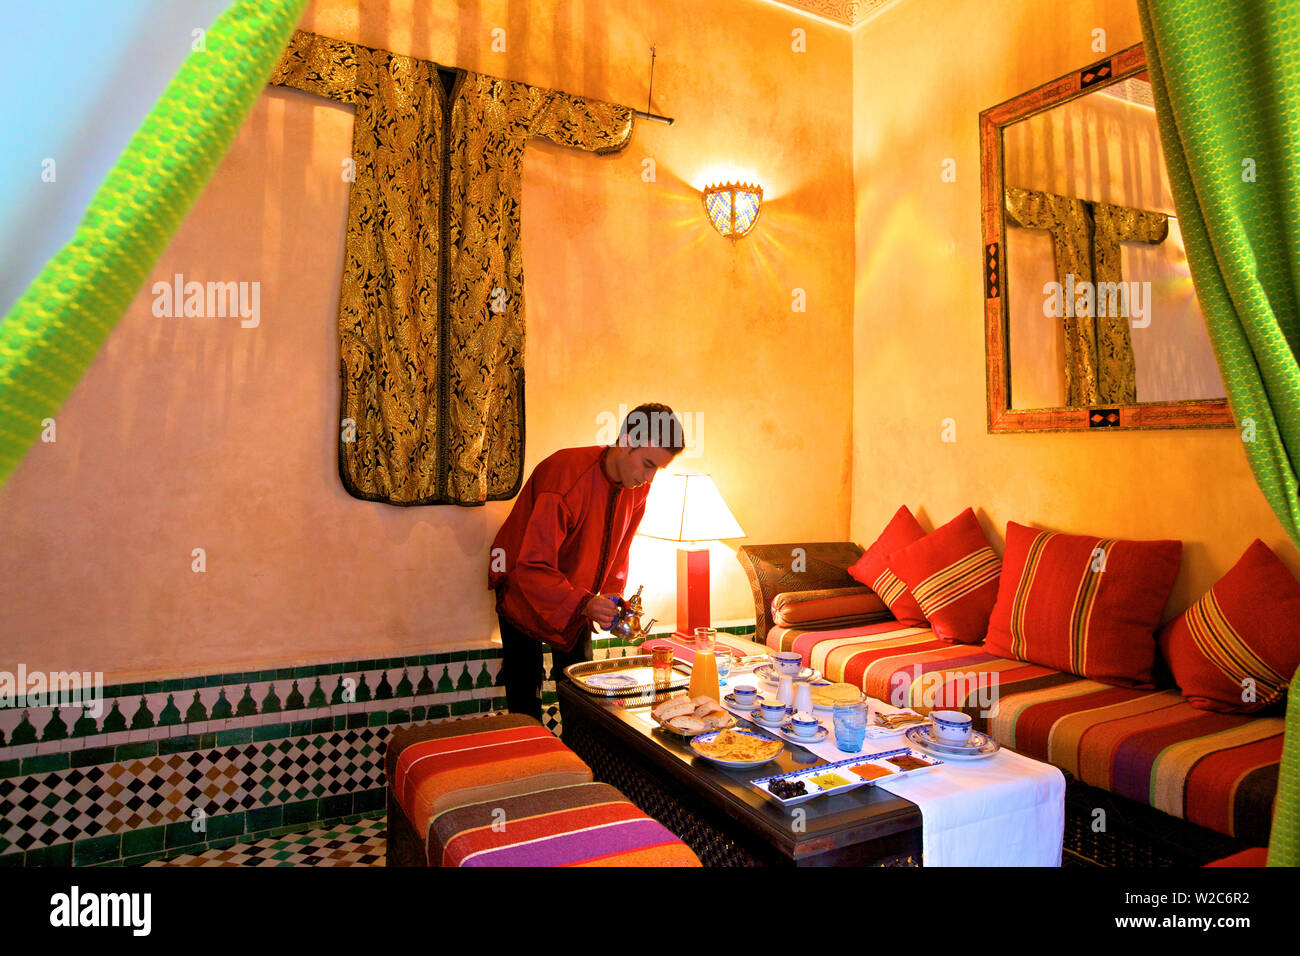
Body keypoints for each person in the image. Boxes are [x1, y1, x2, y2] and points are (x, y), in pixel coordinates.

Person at [488, 403, 685, 721]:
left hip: (576, 596)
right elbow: (531, 564)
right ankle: (532, 765)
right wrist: (583, 601)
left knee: (582, 694)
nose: (648, 478)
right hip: (521, 583)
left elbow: (619, 551)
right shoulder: (565, 475)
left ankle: (585, 768)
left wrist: (608, 599)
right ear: (624, 442)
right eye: (647, 464)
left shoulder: (639, 488)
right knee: (525, 701)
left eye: (657, 470)